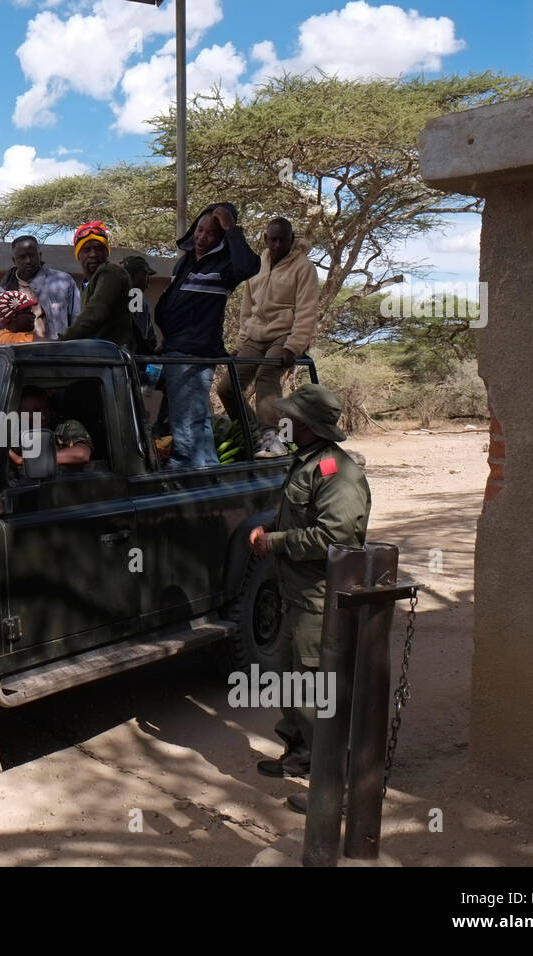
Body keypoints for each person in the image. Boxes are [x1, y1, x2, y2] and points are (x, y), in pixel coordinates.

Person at [246, 384, 371, 813]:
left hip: (319, 603)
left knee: (319, 698)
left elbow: (338, 535)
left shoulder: (336, 469)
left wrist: (276, 543)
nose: (284, 421)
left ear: (306, 424)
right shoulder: (309, 462)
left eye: (292, 417)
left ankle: (332, 792)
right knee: (293, 684)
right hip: (295, 600)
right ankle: (300, 757)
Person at [154, 202, 261, 468]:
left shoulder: (225, 267)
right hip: (174, 349)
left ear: (222, 237)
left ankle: (183, 470)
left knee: (186, 423)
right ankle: (209, 473)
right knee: (196, 420)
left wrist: (232, 228)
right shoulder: (186, 263)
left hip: (195, 352)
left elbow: (249, 266)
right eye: (199, 230)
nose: (201, 238)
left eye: (211, 234)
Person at [219, 217, 320, 459]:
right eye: (272, 239)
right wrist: (241, 342)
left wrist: (293, 346)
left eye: (282, 239)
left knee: (267, 375)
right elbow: (247, 308)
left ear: (291, 239)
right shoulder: (258, 263)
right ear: (265, 239)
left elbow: (307, 310)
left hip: (284, 336)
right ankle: (253, 433)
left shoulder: (304, 267)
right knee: (227, 386)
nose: (277, 245)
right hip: (255, 335)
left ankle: (272, 437)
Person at [0, 235, 81, 343]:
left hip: (58, 353)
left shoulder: (63, 281)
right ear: (14, 260)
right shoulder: (2, 291)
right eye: (22, 257)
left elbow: (78, 321)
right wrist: (20, 341)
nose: (28, 261)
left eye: (32, 255)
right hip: (19, 355)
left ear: (40, 255)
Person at [59, 221, 135, 350]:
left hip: (112, 357)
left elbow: (95, 314)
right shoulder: (86, 284)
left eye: (99, 249)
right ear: (78, 255)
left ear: (107, 252)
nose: (93, 254)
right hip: (98, 353)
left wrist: (61, 341)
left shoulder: (111, 272)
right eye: (87, 250)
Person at [7, 386, 92, 471]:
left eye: (46, 409)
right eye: (36, 411)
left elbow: (82, 454)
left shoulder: (64, 426)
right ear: (19, 413)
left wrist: (25, 461)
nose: (44, 417)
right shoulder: (12, 433)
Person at [121, 254, 159, 355]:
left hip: (137, 363)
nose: (148, 281)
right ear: (133, 275)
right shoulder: (116, 298)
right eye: (145, 275)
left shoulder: (140, 302)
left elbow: (150, 338)